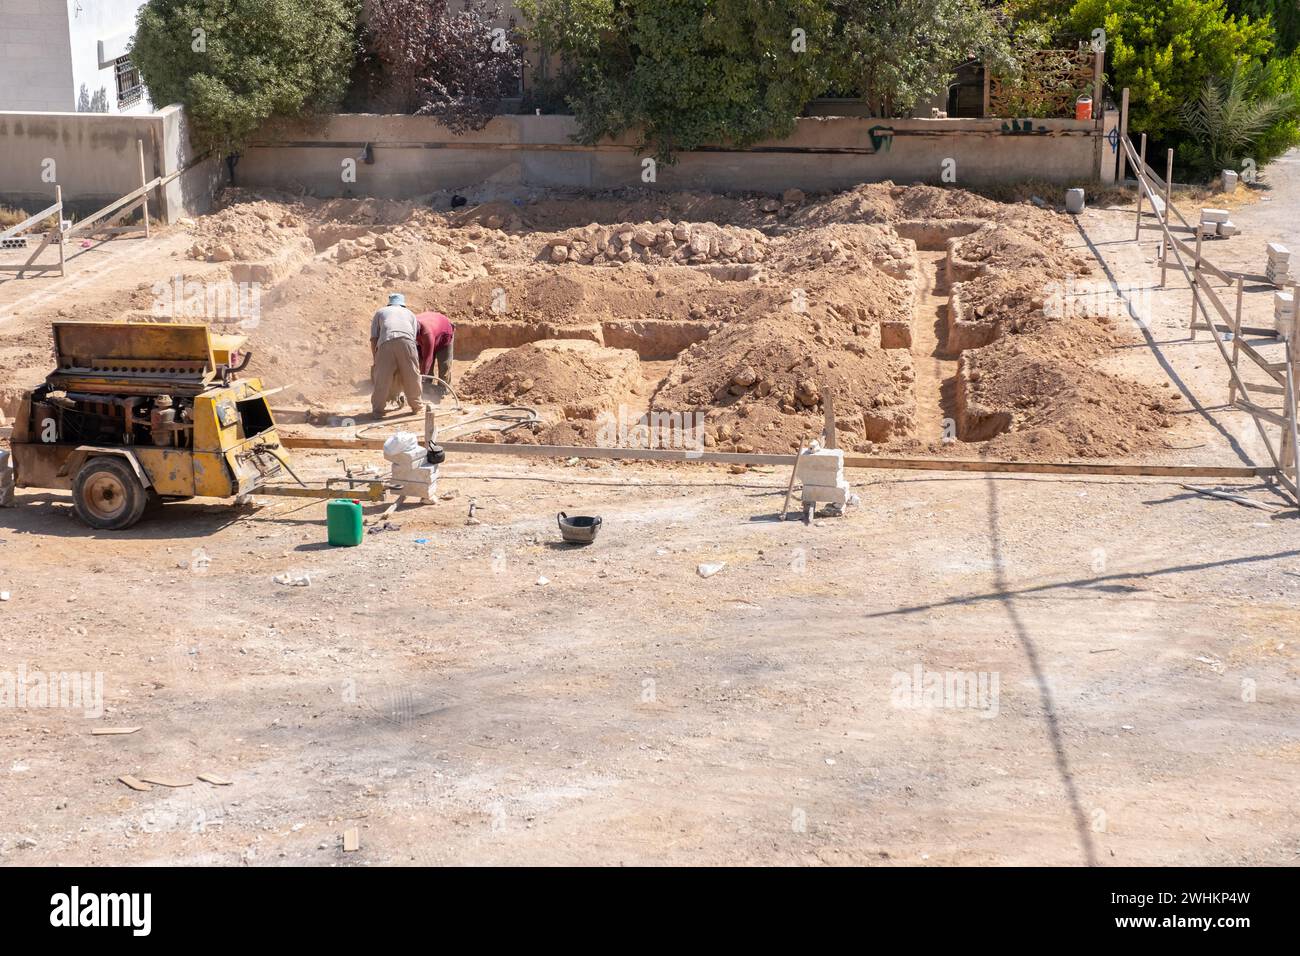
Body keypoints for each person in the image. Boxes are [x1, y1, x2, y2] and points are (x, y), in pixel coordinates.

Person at [369, 293, 422, 418]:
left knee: (382, 377)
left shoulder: (380, 312)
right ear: (403, 304)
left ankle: (377, 411)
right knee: (412, 375)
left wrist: (376, 360)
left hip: (386, 342)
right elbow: (412, 337)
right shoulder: (410, 314)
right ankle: (417, 407)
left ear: (389, 303)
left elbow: (374, 338)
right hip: (407, 342)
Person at [415, 310, 455, 399]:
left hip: (444, 337)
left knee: (444, 366)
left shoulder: (427, 333)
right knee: (423, 367)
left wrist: (421, 379)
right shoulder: (410, 326)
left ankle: (444, 390)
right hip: (430, 333)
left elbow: (428, 359)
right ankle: (426, 389)